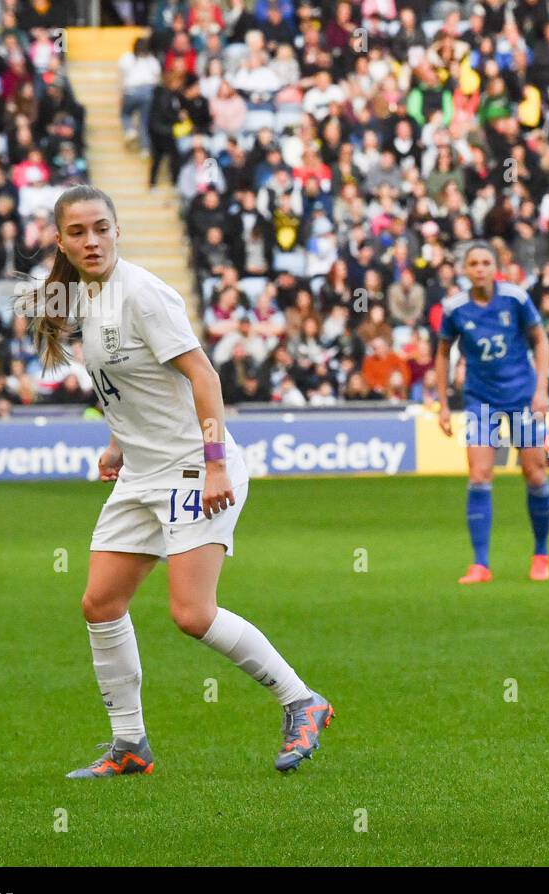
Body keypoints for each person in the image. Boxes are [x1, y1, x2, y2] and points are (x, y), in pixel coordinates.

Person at [21, 185, 332, 778]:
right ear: (60, 241)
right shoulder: (86, 297)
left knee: (192, 613)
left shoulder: (143, 293)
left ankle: (302, 701)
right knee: (100, 603)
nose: (92, 240)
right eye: (78, 232)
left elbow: (203, 377)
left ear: (118, 230)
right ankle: (129, 745)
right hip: (142, 470)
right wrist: (118, 442)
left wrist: (214, 464)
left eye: (101, 228)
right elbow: (130, 382)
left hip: (192, 465)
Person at [434, 243, 549, 584]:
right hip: (480, 400)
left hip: (521, 397)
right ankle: (480, 564)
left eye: (486, 262)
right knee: (479, 474)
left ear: (495, 267)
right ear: (465, 269)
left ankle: (541, 553)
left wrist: (541, 389)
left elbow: (540, 340)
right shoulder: (455, 308)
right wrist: (443, 403)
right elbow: (442, 354)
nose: (480, 268)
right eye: (473, 263)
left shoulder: (515, 298)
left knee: (535, 474)